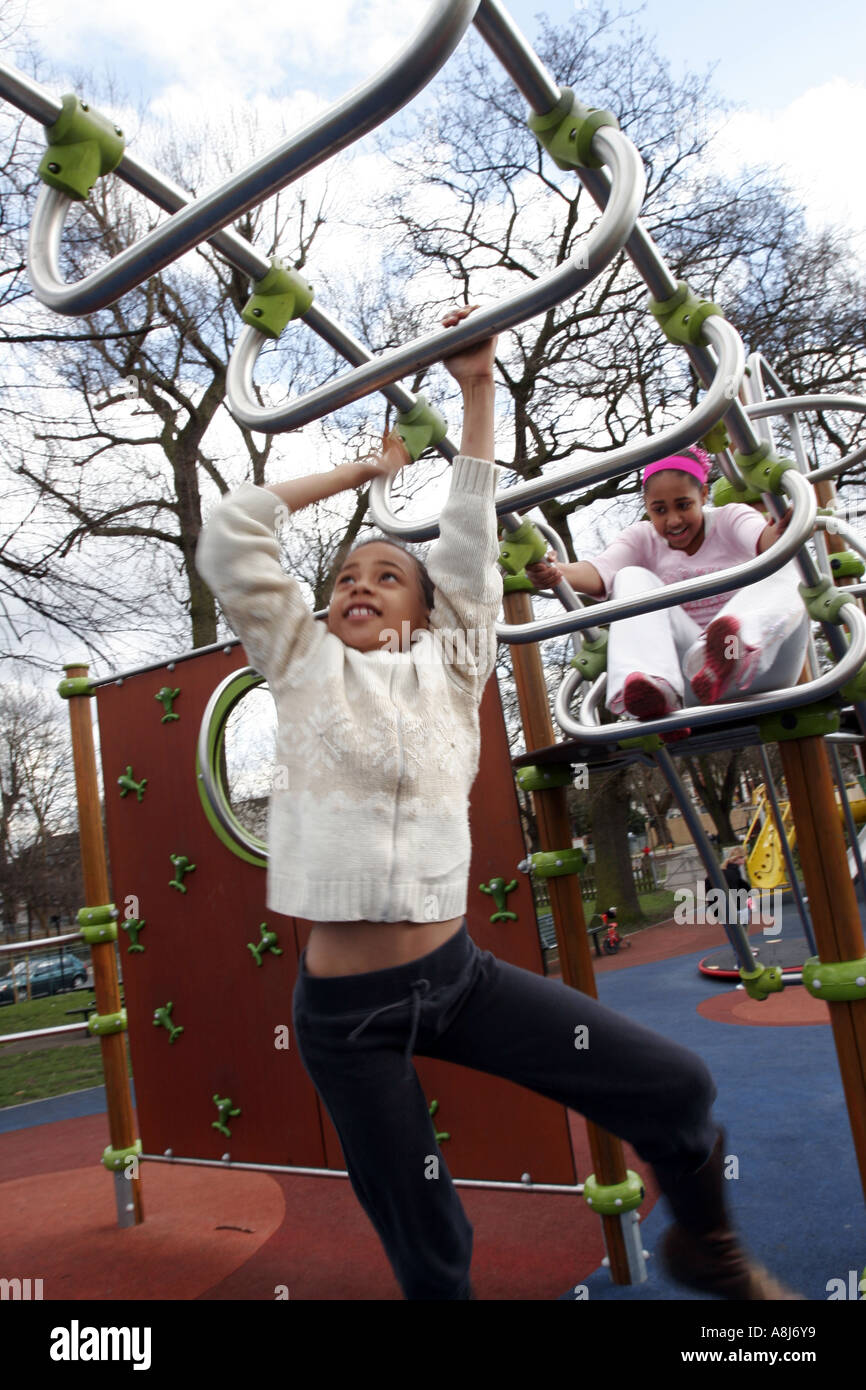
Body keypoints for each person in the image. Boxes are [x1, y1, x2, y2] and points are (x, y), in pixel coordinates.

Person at [195, 308, 800, 1302]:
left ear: (428, 614)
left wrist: (476, 386)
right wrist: (356, 478)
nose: (359, 584)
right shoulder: (299, 664)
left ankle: (709, 1249)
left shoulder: (452, 662)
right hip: (347, 1017)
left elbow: (470, 532)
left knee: (675, 1087)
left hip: (457, 977)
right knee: (435, 1238)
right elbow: (233, 529)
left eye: (387, 575)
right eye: (345, 575)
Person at [525, 448, 810, 735]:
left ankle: (731, 646)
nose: (673, 520)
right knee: (630, 576)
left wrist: (776, 538)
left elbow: (759, 538)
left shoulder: (729, 518)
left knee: (785, 561)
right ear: (647, 507)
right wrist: (559, 572)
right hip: (697, 681)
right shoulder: (642, 539)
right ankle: (656, 690)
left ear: (704, 495)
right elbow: (601, 571)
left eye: (683, 505)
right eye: (659, 510)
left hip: (763, 667)